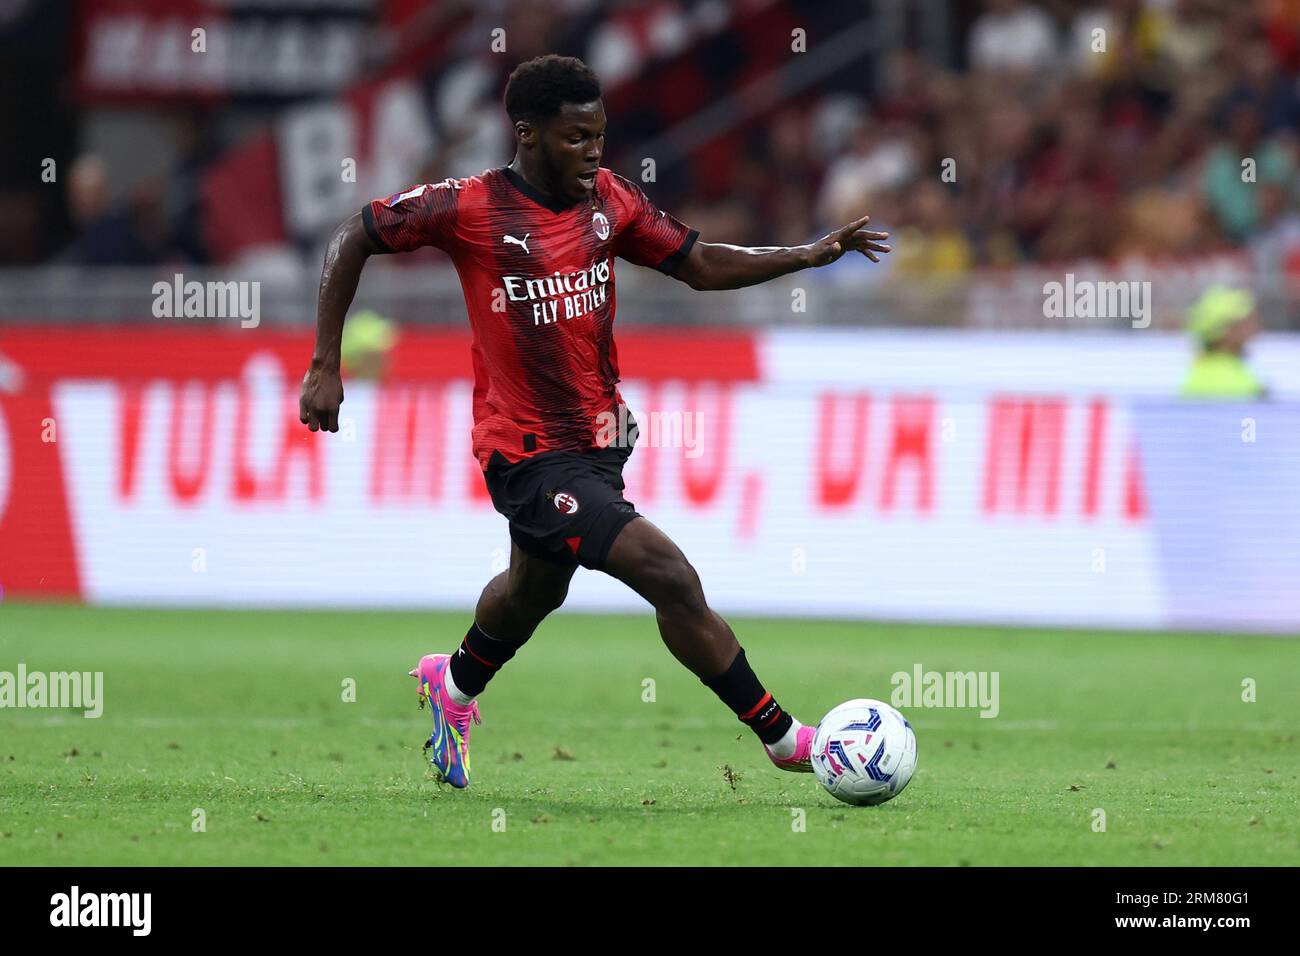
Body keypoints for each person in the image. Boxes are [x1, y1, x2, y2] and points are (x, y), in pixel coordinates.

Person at [298, 55, 891, 788]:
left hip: (601, 439)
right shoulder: (469, 207)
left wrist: (804, 255)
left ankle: (449, 688)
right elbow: (351, 236)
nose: (592, 152)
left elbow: (698, 263)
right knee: (668, 574)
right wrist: (327, 362)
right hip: (524, 451)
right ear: (527, 134)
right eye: (576, 137)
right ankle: (785, 738)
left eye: (599, 135)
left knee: (534, 592)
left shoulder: (609, 200)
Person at [1180, 285, 1267, 400]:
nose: (1255, 329)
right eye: (1245, 322)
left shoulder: (1194, 377)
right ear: (1225, 331)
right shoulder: (1242, 386)